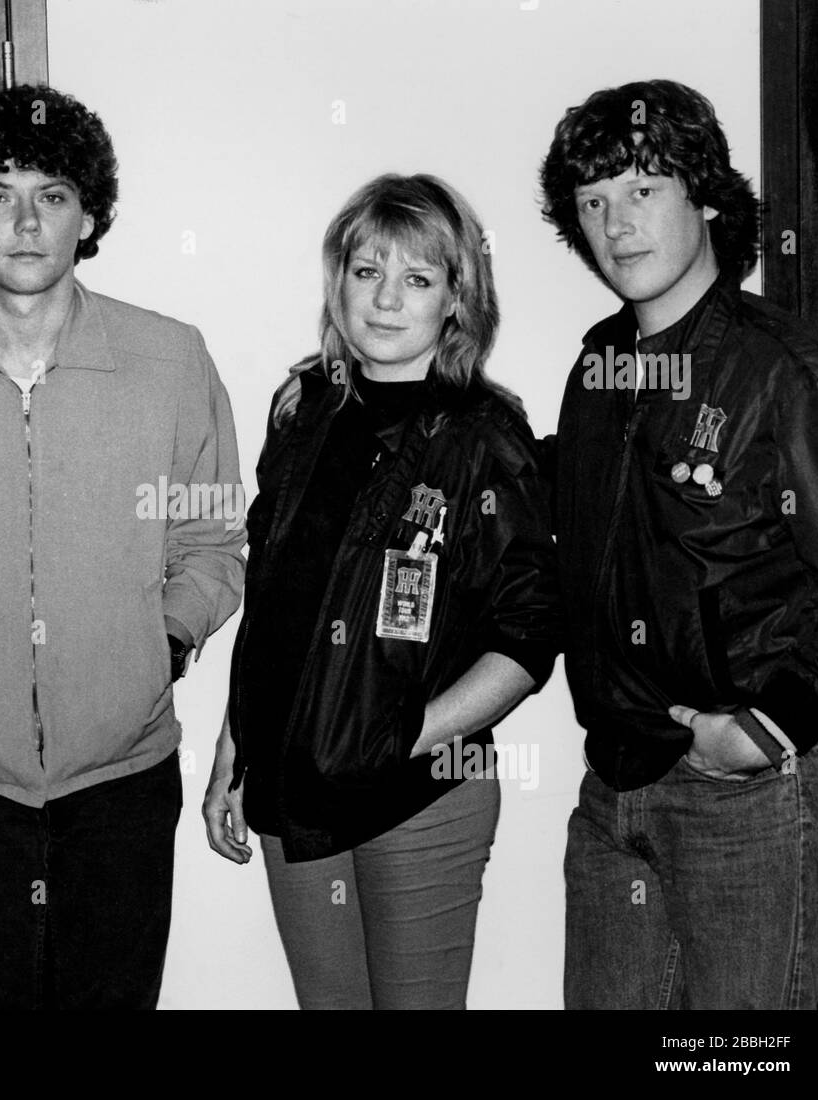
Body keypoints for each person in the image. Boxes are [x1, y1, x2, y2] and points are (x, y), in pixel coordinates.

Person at [0, 84, 245, 1009]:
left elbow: (215, 537)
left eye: (54, 193)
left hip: (124, 780)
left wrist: (157, 648)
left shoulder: (169, 360)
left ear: (90, 212)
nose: (27, 221)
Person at [204, 174, 561, 1010]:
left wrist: (402, 737)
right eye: (368, 273)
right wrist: (234, 745)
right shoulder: (303, 409)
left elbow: (530, 632)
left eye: (417, 278)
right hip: (295, 786)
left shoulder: (483, 435)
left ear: (456, 298)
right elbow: (278, 598)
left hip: (419, 796)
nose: (387, 300)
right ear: (339, 284)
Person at [540, 79, 818, 1009]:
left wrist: (769, 724)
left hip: (750, 803)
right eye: (592, 202)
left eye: (643, 190)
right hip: (612, 798)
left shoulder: (788, 372)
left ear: (705, 196)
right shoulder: (597, 365)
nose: (615, 224)